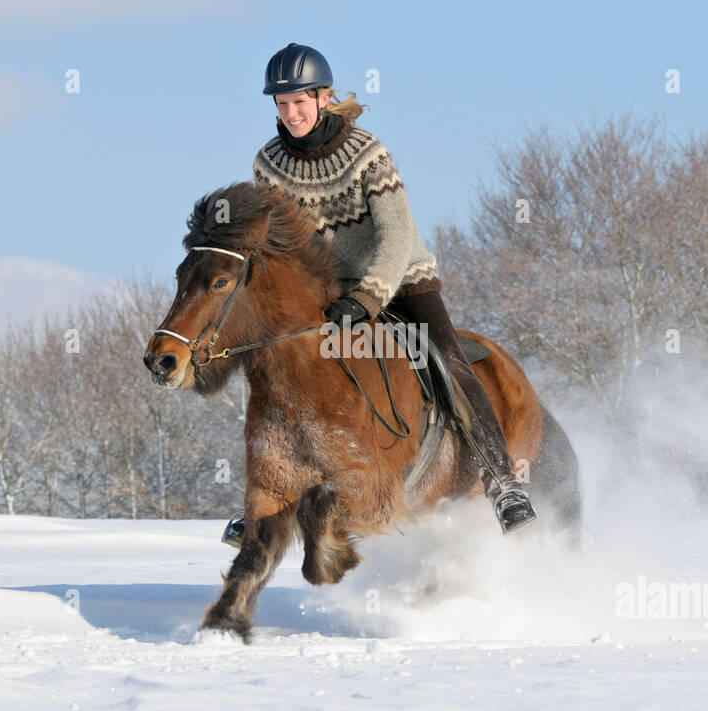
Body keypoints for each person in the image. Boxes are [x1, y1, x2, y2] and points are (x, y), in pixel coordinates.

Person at [221, 42, 537, 546]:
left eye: (299, 101)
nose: (291, 113)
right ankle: (271, 494)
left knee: (448, 361)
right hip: (325, 291)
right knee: (277, 366)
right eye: (281, 104)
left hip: (401, 279)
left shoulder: (368, 153)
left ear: (324, 98)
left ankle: (502, 482)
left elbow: (395, 237)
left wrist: (365, 299)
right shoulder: (267, 164)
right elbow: (276, 244)